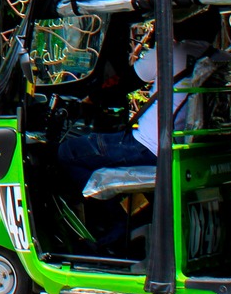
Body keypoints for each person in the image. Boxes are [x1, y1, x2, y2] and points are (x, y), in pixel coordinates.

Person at [56, 35, 212, 200]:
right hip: (193, 152)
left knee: (68, 152)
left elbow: (124, 83)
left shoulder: (170, 51)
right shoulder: (225, 59)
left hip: (148, 147)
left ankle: (113, 218)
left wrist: (90, 100)